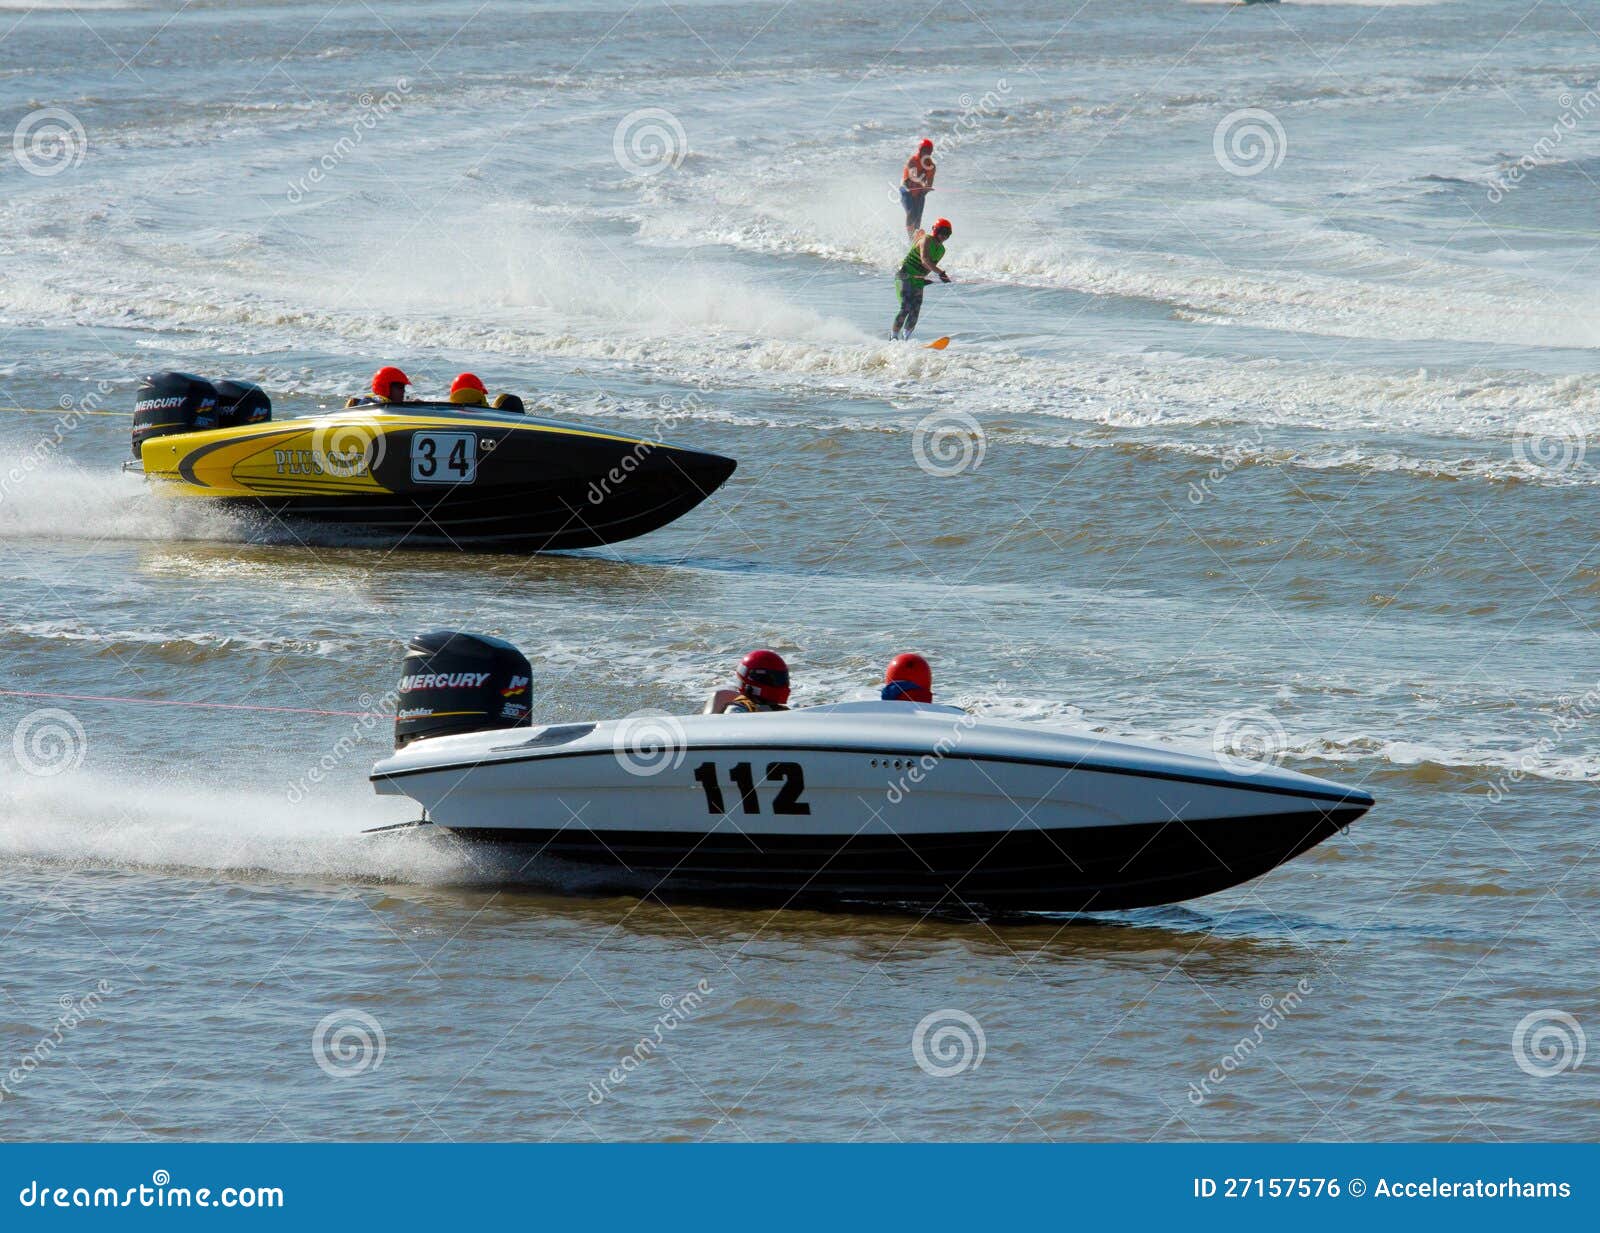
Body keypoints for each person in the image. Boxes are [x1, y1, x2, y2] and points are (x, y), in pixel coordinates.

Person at [892, 218, 952, 341]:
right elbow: (925, 260)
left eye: (947, 233)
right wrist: (941, 273)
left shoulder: (942, 250)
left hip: (918, 279)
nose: (944, 236)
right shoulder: (926, 239)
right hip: (904, 275)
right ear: (935, 230)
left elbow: (929, 266)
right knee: (906, 306)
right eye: (942, 232)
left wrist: (924, 279)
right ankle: (893, 337)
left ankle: (906, 338)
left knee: (916, 308)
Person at [721, 649, 791, 714]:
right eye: (776, 679)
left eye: (782, 678)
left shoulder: (781, 710)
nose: (782, 684)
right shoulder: (736, 710)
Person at [900, 138, 936, 239]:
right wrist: (923, 184)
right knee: (911, 213)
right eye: (923, 150)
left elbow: (929, 184)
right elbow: (912, 176)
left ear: (930, 152)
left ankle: (915, 239)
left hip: (919, 193)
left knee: (918, 217)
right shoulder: (912, 161)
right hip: (906, 190)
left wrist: (926, 189)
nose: (925, 153)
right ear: (920, 150)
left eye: (928, 151)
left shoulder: (932, 166)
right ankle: (910, 238)